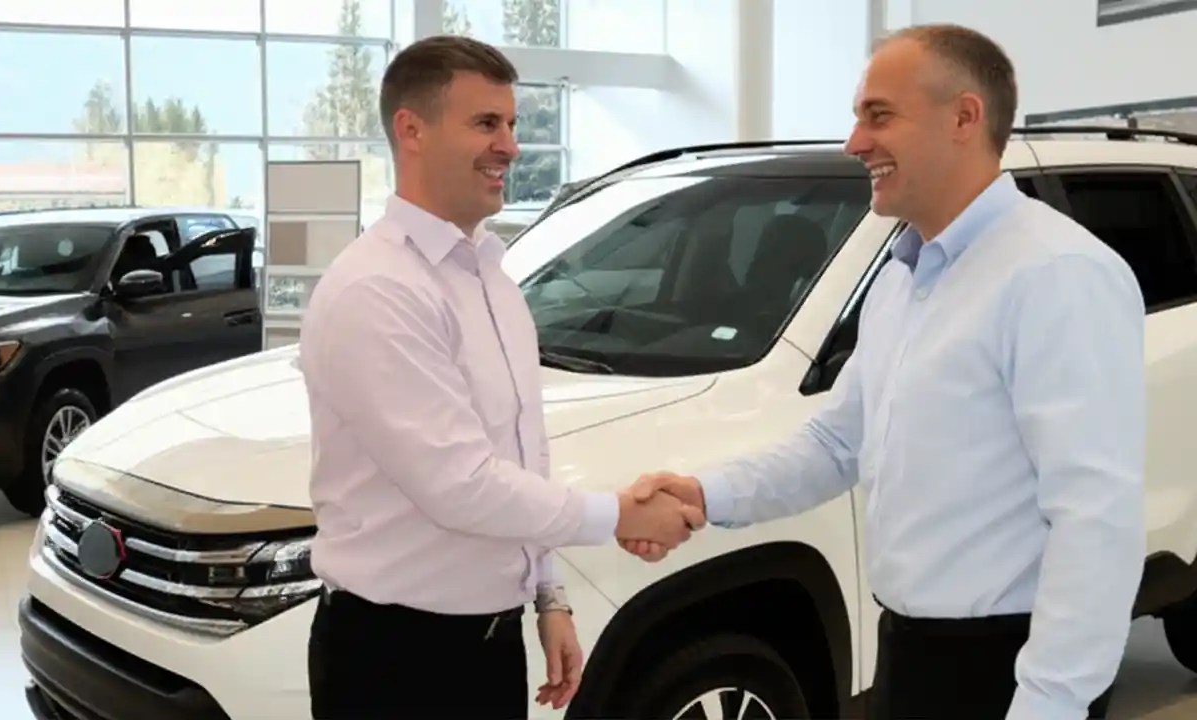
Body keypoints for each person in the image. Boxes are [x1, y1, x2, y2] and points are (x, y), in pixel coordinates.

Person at [624, 23, 1145, 720]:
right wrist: (701, 494)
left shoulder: (1056, 275)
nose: (854, 142)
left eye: (879, 115)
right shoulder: (904, 277)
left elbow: (1096, 520)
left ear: (965, 117)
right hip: (908, 648)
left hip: (1010, 670)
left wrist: (1049, 705)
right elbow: (838, 443)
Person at [297, 34, 704, 720]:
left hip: (487, 642)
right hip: (394, 660)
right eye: (486, 123)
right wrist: (621, 515)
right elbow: (460, 485)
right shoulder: (376, 289)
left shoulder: (490, 275)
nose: (511, 146)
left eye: (512, 124)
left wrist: (548, 595)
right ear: (412, 130)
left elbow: (522, 452)